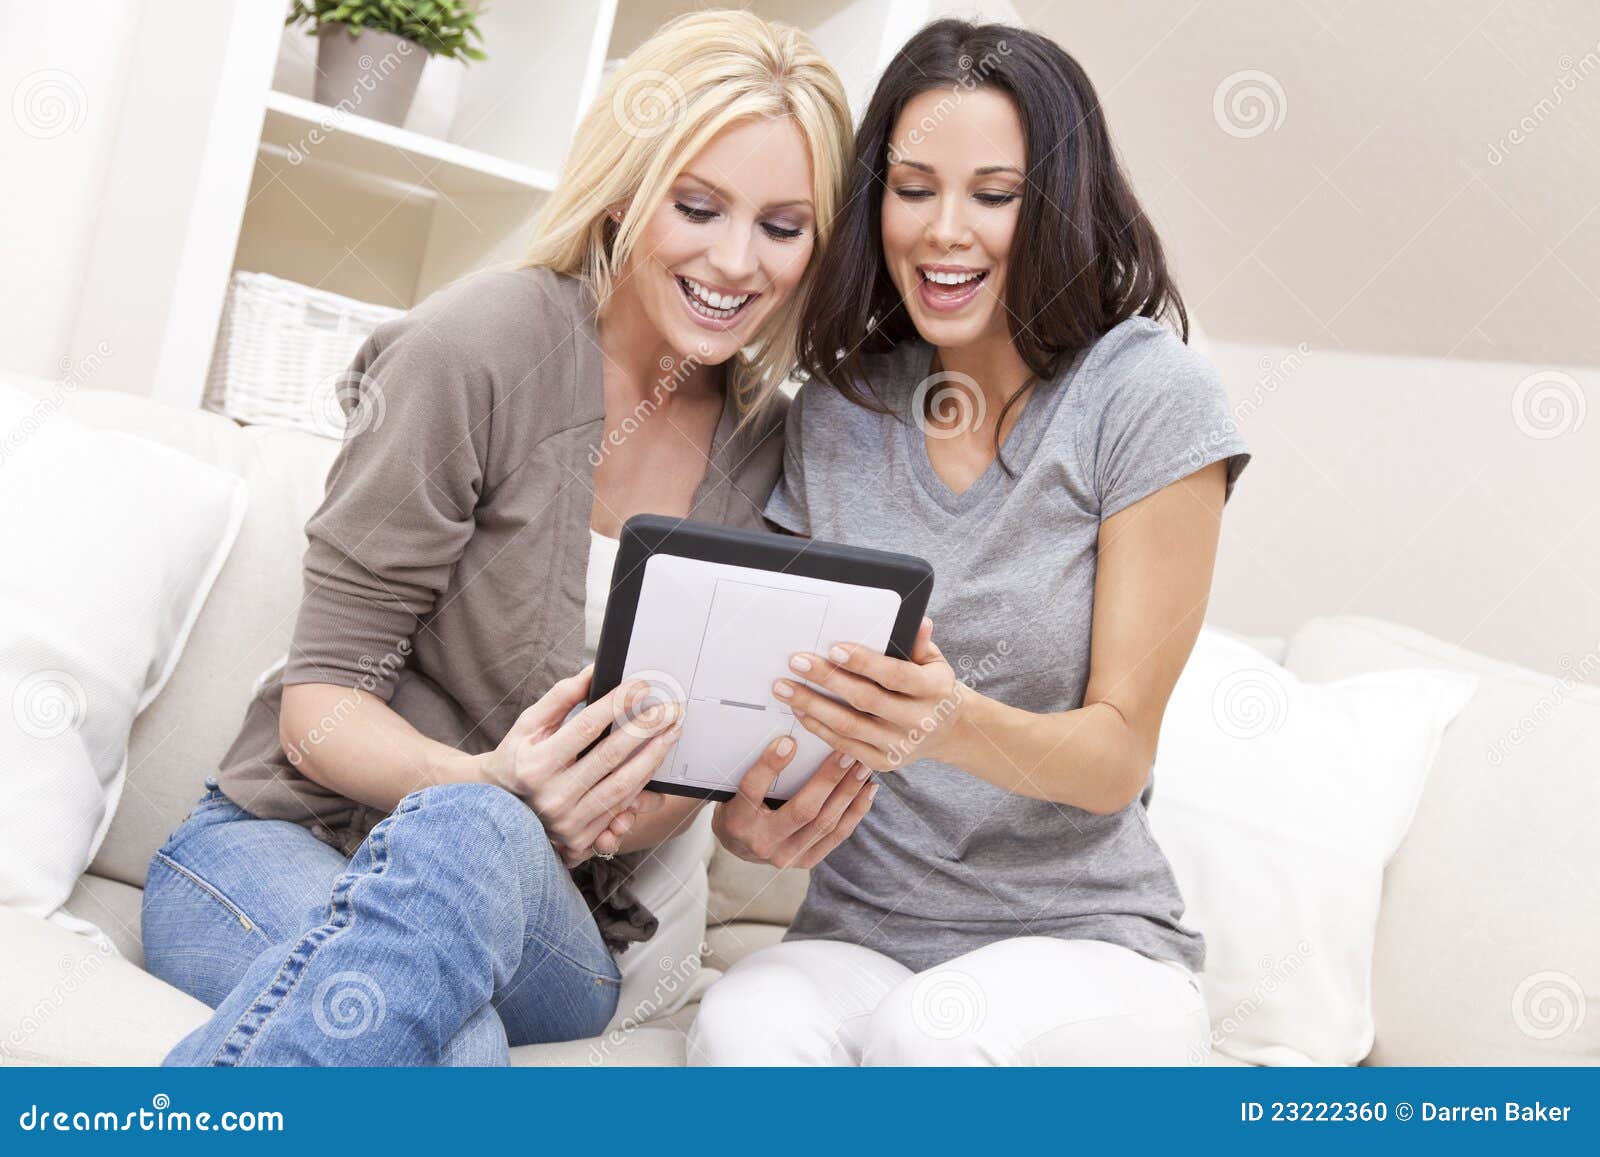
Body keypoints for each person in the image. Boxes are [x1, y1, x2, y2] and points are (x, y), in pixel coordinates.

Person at [143, 10, 865, 1067]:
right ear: (624, 193)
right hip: (276, 845)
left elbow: (675, 787)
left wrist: (615, 810)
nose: (734, 260)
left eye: (782, 226)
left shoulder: (773, 454)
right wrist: (500, 786)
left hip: (549, 924)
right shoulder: (477, 348)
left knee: (481, 837)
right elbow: (318, 714)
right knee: (456, 1039)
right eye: (698, 206)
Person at [689, 19, 1251, 1066]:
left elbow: (1113, 756)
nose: (946, 230)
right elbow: (777, 709)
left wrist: (946, 723)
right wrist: (745, 813)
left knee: (928, 1040)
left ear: (1059, 203)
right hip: (859, 937)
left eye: (995, 195)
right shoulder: (836, 411)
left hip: (1086, 948)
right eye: (912, 188)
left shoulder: (1143, 396)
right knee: (741, 1026)